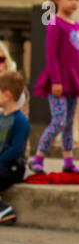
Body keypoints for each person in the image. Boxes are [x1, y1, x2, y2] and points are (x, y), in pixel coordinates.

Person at [30, 0, 79, 174]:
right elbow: (50, 55)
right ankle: (38, 157)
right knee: (58, 121)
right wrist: (56, 80)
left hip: (73, 82)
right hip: (58, 82)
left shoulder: (77, 26)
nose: (74, 3)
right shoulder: (54, 23)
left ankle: (68, 161)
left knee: (69, 123)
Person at [0, 69, 30, 224]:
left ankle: (3, 209)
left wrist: (1, 160)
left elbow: (16, 149)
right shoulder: (1, 118)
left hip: (12, 168)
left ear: (7, 95)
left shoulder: (20, 121)